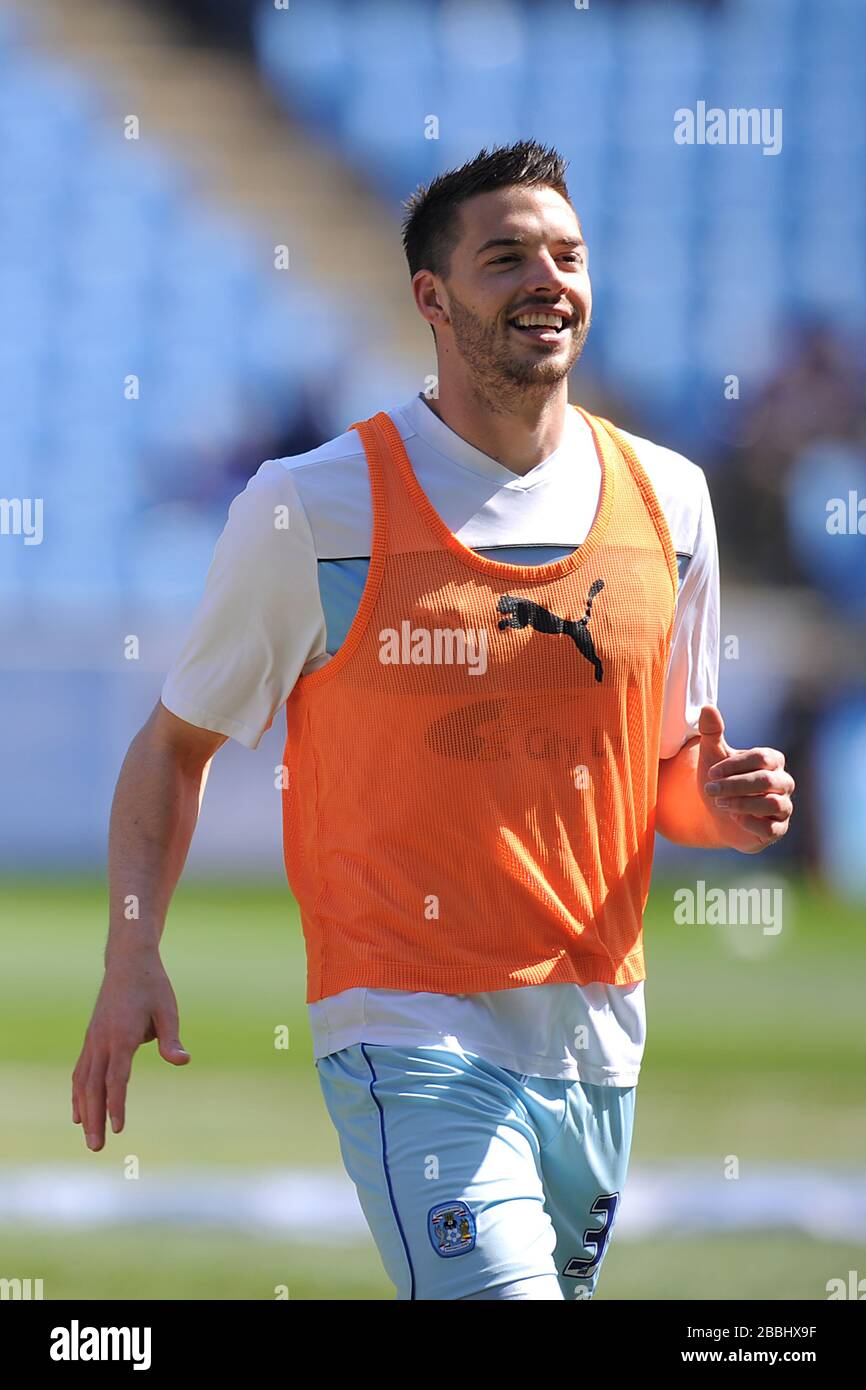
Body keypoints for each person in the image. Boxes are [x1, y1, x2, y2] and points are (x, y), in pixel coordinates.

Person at [72, 140, 795, 1301]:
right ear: (431, 298)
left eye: (565, 254)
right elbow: (174, 745)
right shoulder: (309, 506)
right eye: (503, 256)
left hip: (596, 1031)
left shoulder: (671, 500)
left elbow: (662, 776)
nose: (543, 279)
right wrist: (129, 951)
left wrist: (708, 807)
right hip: (403, 1022)